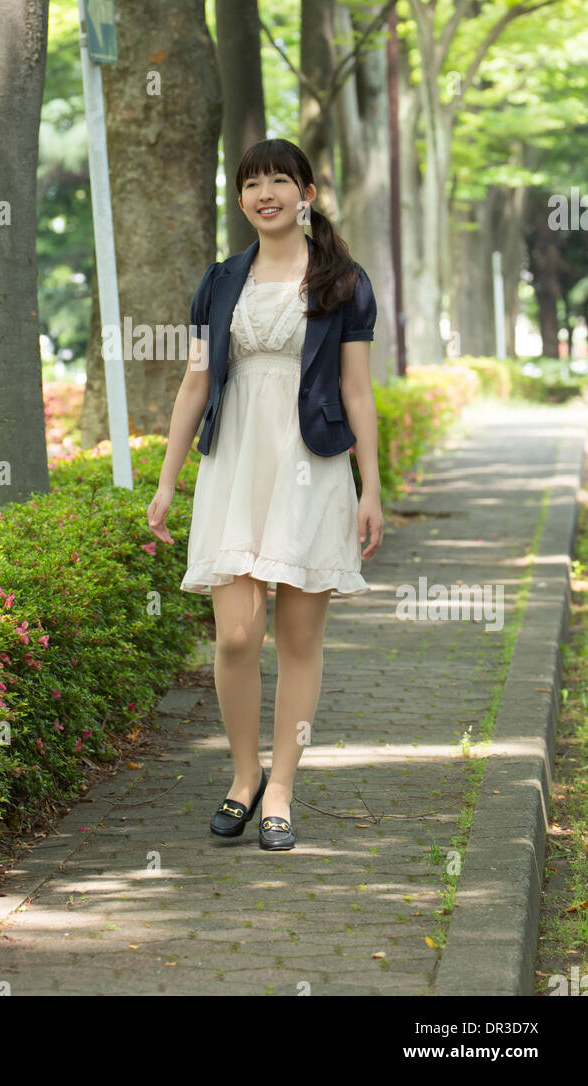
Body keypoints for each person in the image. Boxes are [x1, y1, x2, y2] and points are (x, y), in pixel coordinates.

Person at [146, 138, 384, 851]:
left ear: (306, 191)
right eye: (253, 183)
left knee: (298, 639)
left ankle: (281, 787)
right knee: (239, 635)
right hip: (236, 469)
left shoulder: (343, 280)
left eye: (281, 179)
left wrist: (371, 486)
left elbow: (357, 390)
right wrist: (166, 479)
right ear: (242, 198)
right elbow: (195, 381)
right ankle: (243, 776)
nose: (266, 192)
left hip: (311, 469)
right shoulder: (221, 282)